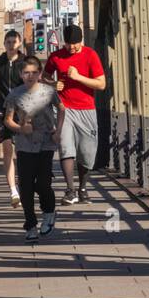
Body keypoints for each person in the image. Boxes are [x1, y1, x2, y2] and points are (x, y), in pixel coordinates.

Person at [43, 24, 106, 205]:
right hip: (63, 108)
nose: (71, 47)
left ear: (81, 41)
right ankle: (70, 190)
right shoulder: (55, 56)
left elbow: (101, 84)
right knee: (65, 146)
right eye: (68, 44)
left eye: (75, 44)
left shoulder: (90, 55)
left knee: (87, 152)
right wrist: (53, 84)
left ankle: (83, 188)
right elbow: (44, 77)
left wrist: (78, 78)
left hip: (86, 109)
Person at [4, 55, 62, 243]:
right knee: (26, 187)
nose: (30, 76)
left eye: (34, 72)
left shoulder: (48, 92)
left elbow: (61, 109)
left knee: (43, 183)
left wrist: (58, 132)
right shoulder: (14, 94)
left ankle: (49, 212)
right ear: (21, 74)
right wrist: (20, 128)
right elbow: (8, 120)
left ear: (39, 73)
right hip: (25, 144)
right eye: (26, 73)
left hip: (46, 142)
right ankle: (30, 225)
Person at [0, 30, 26, 206]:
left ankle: (25, 185)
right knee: (7, 148)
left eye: (14, 42)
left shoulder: (26, 63)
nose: (11, 45)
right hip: (3, 110)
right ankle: (13, 190)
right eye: (8, 42)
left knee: (23, 151)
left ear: (19, 43)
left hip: (22, 112)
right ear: (4, 44)